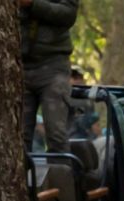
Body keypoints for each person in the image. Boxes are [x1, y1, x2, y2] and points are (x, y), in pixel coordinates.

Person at [18, 0, 79, 154]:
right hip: (21, 65)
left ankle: (60, 177)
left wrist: (33, 4)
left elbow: (68, 14)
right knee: (19, 138)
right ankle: (22, 178)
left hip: (53, 66)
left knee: (56, 135)